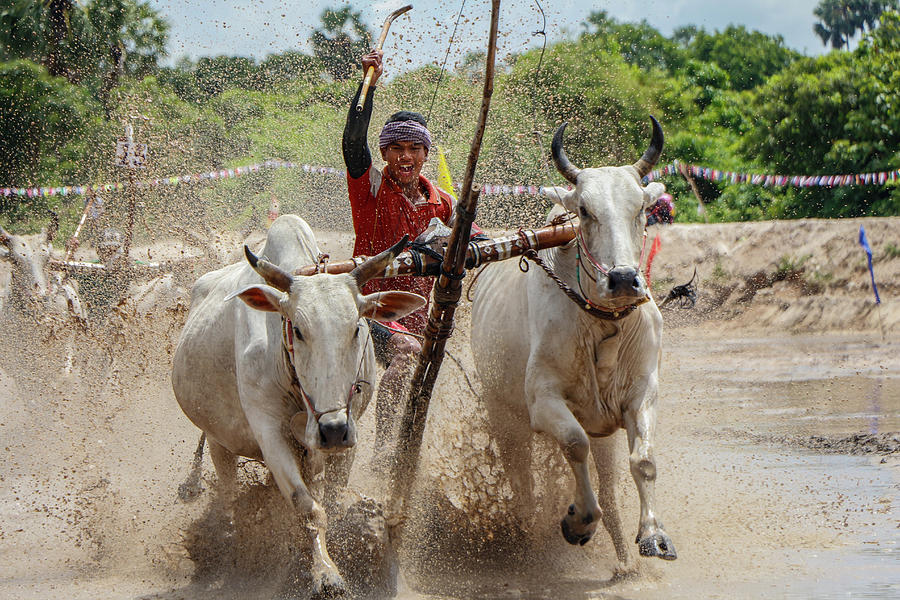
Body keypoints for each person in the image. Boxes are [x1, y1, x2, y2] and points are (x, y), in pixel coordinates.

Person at [342, 48, 481, 468]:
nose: (405, 157)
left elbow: (476, 241)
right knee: (404, 351)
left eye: (414, 149)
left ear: (425, 153)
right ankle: (385, 453)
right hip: (370, 311)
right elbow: (352, 142)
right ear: (385, 154)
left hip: (426, 321)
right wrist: (368, 83)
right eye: (397, 148)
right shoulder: (370, 187)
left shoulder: (445, 203)